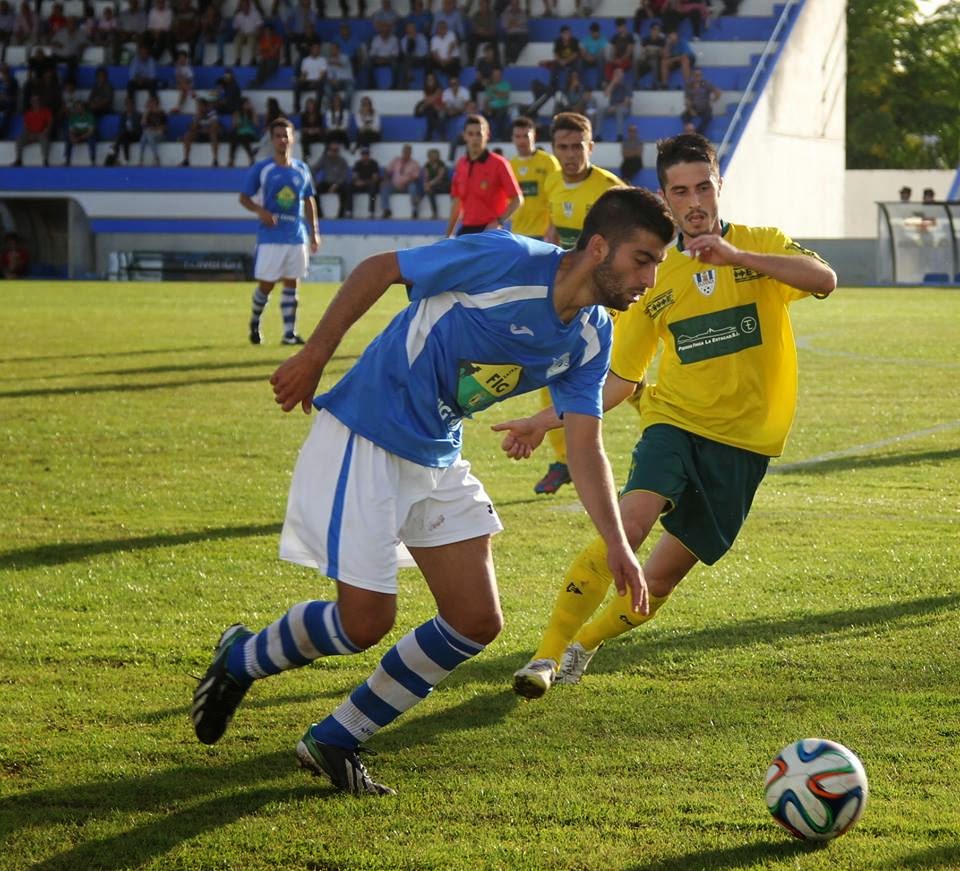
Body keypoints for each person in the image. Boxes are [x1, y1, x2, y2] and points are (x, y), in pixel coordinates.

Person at [190, 185, 676, 796]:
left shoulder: (591, 336)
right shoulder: (508, 258)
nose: (650, 278)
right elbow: (380, 269)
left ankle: (337, 737)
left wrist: (617, 545)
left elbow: (585, 445)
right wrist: (315, 355)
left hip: (437, 452)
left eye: (657, 263)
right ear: (599, 246)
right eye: (643, 259)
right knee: (365, 623)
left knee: (475, 619)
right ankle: (242, 658)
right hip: (366, 430)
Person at [501, 132, 837, 699]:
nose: (695, 201)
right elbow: (621, 381)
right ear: (666, 197)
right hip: (674, 423)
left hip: (746, 445)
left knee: (660, 578)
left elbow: (825, 281)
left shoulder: (761, 245)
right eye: (680, 191)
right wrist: (546, 420)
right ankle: (546, 656)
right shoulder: (655, 275)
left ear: (719, 184)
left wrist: (738, 257)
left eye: (704, 186)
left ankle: (587, 642)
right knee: (628, 526)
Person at [535, 112, 626, 495]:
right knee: (552, 371)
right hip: (572, 295)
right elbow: (554, 229)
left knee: (621, 374)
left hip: (609, 299)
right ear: (555, 151)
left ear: (591, 147)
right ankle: (562, 461)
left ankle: (659, 416)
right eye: (564, 147)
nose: (571, 154)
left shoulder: (611, 191)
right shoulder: (553, 182)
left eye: (578, 146)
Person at [240, 117, 321, 347]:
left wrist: (314, 231)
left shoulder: (302, 169)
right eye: (277, 136)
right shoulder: (262, 169)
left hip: (296, 235)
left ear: (292, 138)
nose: (282, 140)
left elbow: (308, 200)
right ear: (271, 140)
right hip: (270, 236)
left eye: (286, 135)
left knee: (292, 283)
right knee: (266, 285)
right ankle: (255, 322)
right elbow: (244, 197)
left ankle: (289, 333)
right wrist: (260, 211)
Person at [446, 114, 523, 237]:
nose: (475, 138)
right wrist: (449, 234)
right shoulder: (461, 164)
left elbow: (517, 199)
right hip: (466, 231)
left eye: (479, 134)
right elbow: (457, 202)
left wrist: (499, 221)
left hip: (491, 232)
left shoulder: (499, 163)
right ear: (464, 136)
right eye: (471, 134)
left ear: (487, 135)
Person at [508, 115, 560, 240]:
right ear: (512, 139)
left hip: (543, 232)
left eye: (526, 136)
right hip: (517, 233)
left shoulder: (549, 162)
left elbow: (558, 195)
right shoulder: (510, 165)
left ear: (534, 136)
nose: (522, 141)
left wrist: (552, 228)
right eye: (518, 137)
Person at [379, 143, 421, 219]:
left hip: (407, 185)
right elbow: (388, 172)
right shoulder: (396, 160)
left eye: (408, 152)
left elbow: (415, 177)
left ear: (411, 153)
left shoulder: (414, 163)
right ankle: (386, 210)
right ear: (402, 152)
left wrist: (405, 183)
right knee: (384, 186)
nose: (406, 153)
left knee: (413, 187)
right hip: (394, 184)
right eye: (405, 151)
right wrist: (385, 179)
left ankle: (415, 211)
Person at [12, 94, 53, 167]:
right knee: (19, 139)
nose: (35, 102)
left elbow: (50, 122)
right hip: (31, 134)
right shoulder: (28, 113)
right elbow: (26, 126)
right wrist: (30, 134)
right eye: (33, 101)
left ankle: (45, 160)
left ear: (40, 101)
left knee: (44, 139)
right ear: (31, 102)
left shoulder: (46, 111)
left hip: (41, 133)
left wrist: (46, 130)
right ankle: (19, 159)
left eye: (37, 100)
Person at [312, 142, 351, 218]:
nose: (334, 152)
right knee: (314, 191)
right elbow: (314, 169)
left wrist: (336, 184)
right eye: (332, 150)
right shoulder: (324, 159)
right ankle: (319, 213)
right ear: (328, 150)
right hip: (327, 183)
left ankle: (341, 214)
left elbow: (344, 175)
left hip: (339, 184)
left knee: (346, 190)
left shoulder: (343, 161)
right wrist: (315, 180)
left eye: (336, 150)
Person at [180, 96, 220, 166]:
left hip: (209, 134)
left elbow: (214, 126)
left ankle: (215, 159)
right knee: (187, 135)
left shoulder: (212, 113)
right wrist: (198, 118)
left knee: (213, 134)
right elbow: (192, 128)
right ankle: (186, 159)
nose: (198, 107)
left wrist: (204, 129)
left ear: (205, 106)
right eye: (198, 106)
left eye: (200, 106)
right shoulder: (197, 114)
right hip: (200, 133)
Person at [681, 68, 720, 136]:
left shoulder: (706, 84)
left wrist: (714, 99)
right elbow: (687, 99)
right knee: (684, 116)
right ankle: (688, 131)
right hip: (694, 106)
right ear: (693, 76)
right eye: (696, 75)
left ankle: (698, 133)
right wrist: (691, 110)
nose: (698, 77)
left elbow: (717, 92)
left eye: (699, 75)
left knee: (708, 117)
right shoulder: (689, 85)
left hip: (705, 107)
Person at [416, 147, 449, 219]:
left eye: (435, 155)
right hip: (432, 186)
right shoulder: (427, 165)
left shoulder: (441, 164)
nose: (433, 157)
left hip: (443, 185)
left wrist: (429, 184)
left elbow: (439, 177)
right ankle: (435, 212)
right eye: (432, 156)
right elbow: (425, 177)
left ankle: (419, 197)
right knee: (430, 190)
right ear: (429, 156)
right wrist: (426, 184)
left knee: (429, 188)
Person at [228, 96, 261, 166]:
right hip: (239, 133)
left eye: (249, 103)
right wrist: (237, 121)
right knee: (235, 139)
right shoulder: (236, 113)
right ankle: (232, 159)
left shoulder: (252, 113)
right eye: (247, 103)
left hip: (250, 133)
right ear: (242, 105)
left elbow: (256, 124)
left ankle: (251, 158)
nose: (249, 105)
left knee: (243, 138)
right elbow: (234, 126)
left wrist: (253, 112)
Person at [351, 145, 381, 218]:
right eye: (363, 154)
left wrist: (363, 182)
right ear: (361, 155)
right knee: (349, 187)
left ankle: (371, 211)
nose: (365, 156)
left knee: (373, 188)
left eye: (366, 154)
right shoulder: (357, 164)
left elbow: (375, 178)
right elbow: (354, 176)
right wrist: (356, 182)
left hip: (369, 184)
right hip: (359, 184)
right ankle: (349, 210)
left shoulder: (374, 163)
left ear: (369, 155)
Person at [137, 93, 167, 165]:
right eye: (149, 102)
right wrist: (146, 112)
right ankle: (148, 159)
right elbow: (142, 124)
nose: (149, 103)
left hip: (160, 134)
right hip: (150, 134)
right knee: (145, 136)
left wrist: (154, 129)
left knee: (147, 135)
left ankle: (144, 159)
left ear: (156, 103)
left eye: (151, 102)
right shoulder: (148, 113)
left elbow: (164, 128)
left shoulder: (161, 113)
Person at [299, 96, 326, 162]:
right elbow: (303, 128)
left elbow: (321, 127)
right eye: (308, 105)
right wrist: (309, 130)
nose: (310, 107)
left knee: (326, 137)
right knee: (304, 138)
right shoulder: (304, 115)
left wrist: (316, 130)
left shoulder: (319, 115)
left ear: (314, 106)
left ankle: (326, 154)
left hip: (317, 135)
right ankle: (306, 155)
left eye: (311, 105)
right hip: (308, 135)